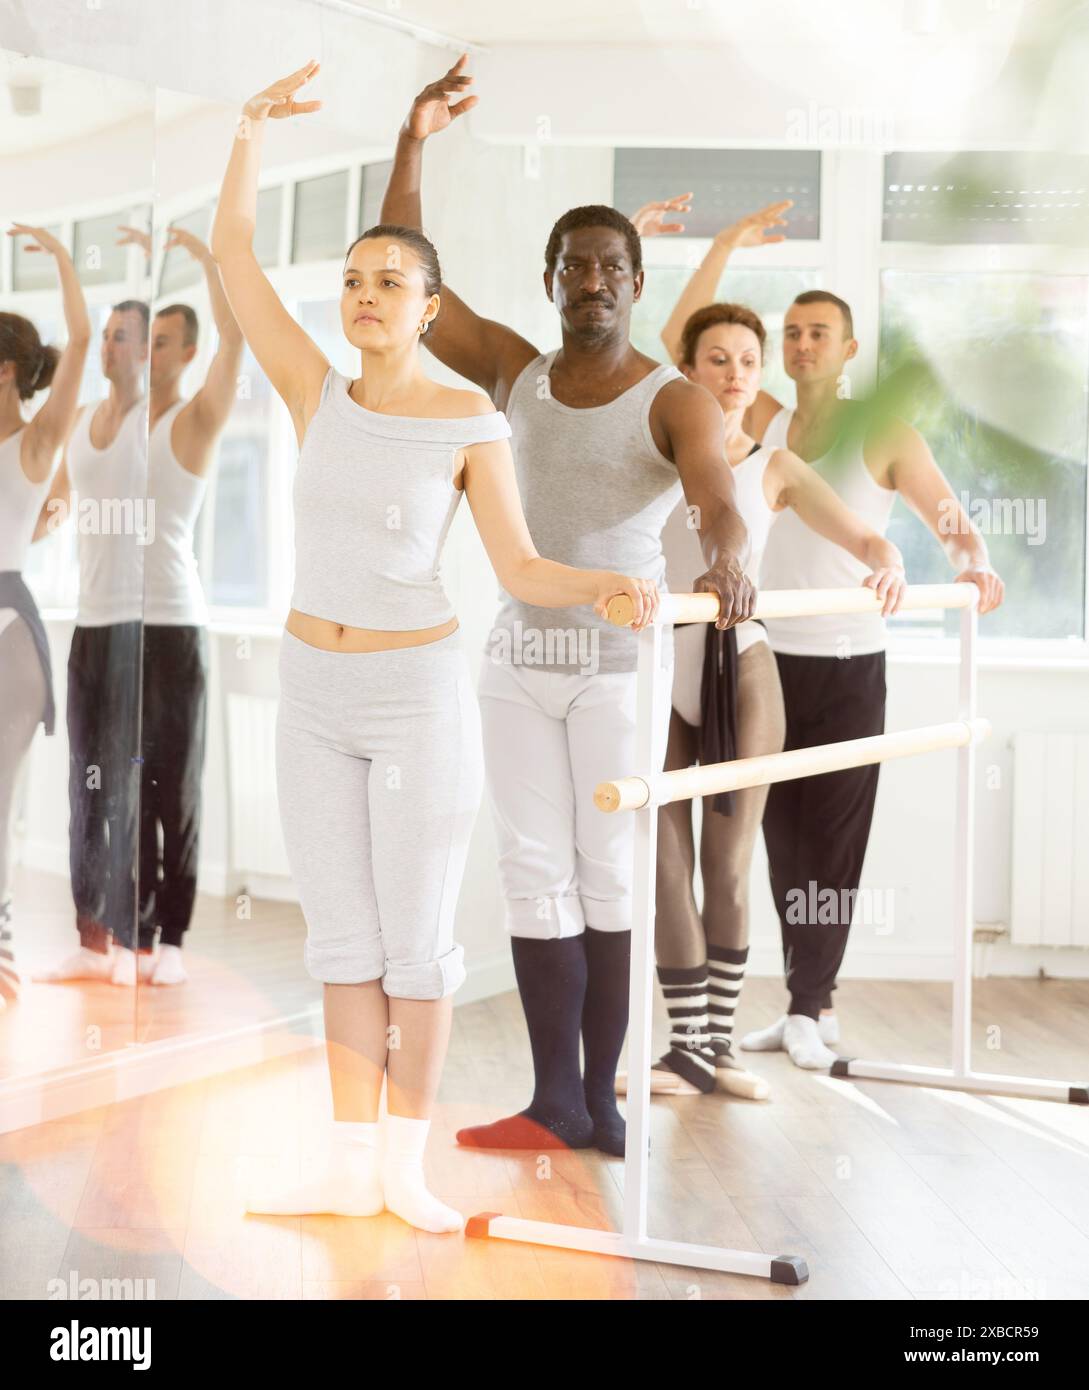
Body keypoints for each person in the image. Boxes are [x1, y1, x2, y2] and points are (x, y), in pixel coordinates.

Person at [209, 60, 662, 1233]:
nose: (366, 295)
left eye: (391, 281)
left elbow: (521, 567)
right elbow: (235, 257)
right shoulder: (314, 391)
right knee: (341, 945)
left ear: (428, 308)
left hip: (415, 697)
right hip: (311, 693)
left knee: (414, 947)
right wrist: (250, 129)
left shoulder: (470, 416)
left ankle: (403, 1173)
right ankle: (345, 1166)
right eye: (353, 280)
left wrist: (611, 586)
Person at [381, 55, 756, 1157]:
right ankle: (559, 1104)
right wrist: (411, 142)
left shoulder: (675, 399)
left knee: (607, 874)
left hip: (613, 667)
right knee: (532, 876)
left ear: (636, 284)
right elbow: (407, 269)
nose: (592, 280)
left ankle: (608, 1099)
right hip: (517, 660)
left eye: (611, 266)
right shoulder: (515, 371)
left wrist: (728, 562)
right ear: (550, 281)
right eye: (574, 265)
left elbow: (718, 502)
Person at [659, 198, 1005, 1069]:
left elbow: (943, 513)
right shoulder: (763, 421)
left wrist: (973, 562)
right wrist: (724, 244)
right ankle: (800, 1001)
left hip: (848, 660)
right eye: (792, 333)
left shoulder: (880, 431)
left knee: (833, 841)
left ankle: (811, 1003)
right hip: (764, 661)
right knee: (775, 844)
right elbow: (681, 343)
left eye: (820, 334)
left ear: (849, 350)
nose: (802, 344)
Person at [616, 294, 904, 1099]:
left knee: (728, 868)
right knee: (664, 867)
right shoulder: (651, 457)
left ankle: (720, 1050)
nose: (736, 374)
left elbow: (864, 536)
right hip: (659, 667)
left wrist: (888, 563)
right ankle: (685, 1048)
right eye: (716, 359)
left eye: (748, 360)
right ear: (684, 368)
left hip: (742, 671)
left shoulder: (773, 466)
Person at [135, 226, 245, 985]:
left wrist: (208, 259)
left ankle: (171, 938)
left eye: (163, 343)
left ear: (188, 353)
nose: (150, 354)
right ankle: (136, 932)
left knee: (175, 791)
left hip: (176, 629)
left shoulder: (196, 418)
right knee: (129, 790)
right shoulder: (120, 425)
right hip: (120, 625)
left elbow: (236, 337)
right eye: (145, 343)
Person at [32, 288, 150, 989]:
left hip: (142, 626)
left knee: (128, 786)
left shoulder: (154, 423)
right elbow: (51, 506)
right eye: (103, 336)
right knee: (85, 784)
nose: (107, 347)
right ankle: (90, 939)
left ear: (146, 351)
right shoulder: (80, 423)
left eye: (120, 337)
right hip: (90, 627)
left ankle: (133, 940)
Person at [0, 224, 91, 1010]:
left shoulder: (35, 443)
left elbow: (82, 339)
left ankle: (0, 946)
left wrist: (63, 259)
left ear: (6, 372)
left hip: (9, 636)